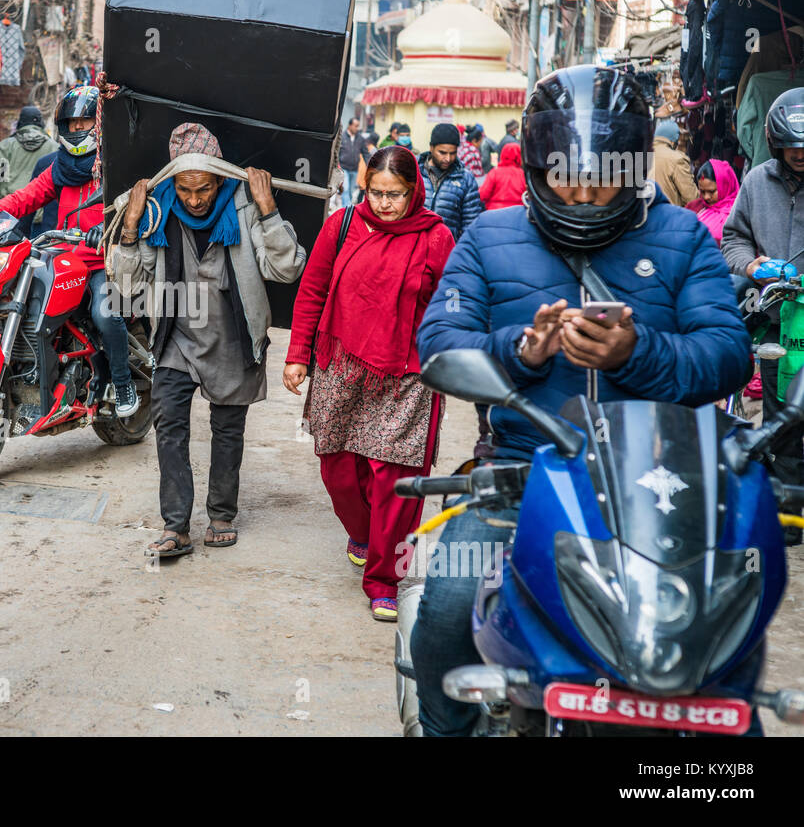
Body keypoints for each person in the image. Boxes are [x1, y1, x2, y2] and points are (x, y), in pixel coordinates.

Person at [410, 64, 751, 737]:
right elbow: (440, 341)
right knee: (446, 617)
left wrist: (638, 352)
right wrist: (521, 352)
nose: (587, 196)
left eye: (604, 179)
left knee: (723, 651)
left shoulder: (683, 239)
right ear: (538, 166)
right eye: (569, 176)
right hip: (518, 478)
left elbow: (727, 352)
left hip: (657, 488)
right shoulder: (488, 237)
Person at [110, 123, 307, 555]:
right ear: (174, 184)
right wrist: (129, 225)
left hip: (231, 338)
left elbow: (287, 269)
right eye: (184, 189)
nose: (194, 200)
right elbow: (126, 289)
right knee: (169, 428)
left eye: (203, 189)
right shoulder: (156, 211)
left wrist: (269, 209)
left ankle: (221, 514)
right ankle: (175, 526)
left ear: (219, 179)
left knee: (227, 429)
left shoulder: (246, 208)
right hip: (176, 340)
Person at [284, 146, 454, 620]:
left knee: (394, 476)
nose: (384, 204)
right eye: (376, 193)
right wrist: (298, 355)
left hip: (408, 374)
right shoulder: (341, 226)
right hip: (342, 364)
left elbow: (453, 303)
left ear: (413, 191)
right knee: (337, 464)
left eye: (394, 195)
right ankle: (362, 533)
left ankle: (383, 578)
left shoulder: (436, 238)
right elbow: (313, 290)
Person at [0, 85, 140, 417]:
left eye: (84, 123)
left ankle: (122, 383)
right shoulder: (60, 167)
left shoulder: (114, 166)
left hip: (101, 262)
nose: (77, 131)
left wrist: (106, 229)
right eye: (72, 125)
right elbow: (25, 197)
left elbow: (131, 206)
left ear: (99, 124)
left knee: (106, 313)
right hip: (61, 259)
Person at [721, 86, 804, 494]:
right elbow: (733, 239)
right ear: (775, 143)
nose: (801, 154)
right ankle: (789, 514)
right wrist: (752, 265)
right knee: (782, 417)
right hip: (775, 322)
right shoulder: (756, 181)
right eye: (793, 147)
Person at [418, 122, 483, 241]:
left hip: (447, 252)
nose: (448, 159)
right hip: (414, 251)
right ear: (431, 148)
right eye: (442, 153)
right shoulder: (414, 173)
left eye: (452, 153)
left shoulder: (465, 179)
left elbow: (471, 224)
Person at [0, 105, 58, 201]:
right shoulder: (54, 147)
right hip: (40, 208)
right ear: (41, 122)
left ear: (20, 122)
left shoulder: (5, 145)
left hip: (9, 207)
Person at [687, 158, 740, 244]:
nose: (706, 197)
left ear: (725, 186)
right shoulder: (694, 207)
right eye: (702, 191)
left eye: (711, 191)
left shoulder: (738, 214)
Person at [649, 118, 699, 207]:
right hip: (667, 216)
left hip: (643, 217)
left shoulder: (639, 155)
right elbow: (691, 198)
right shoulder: (677, 159)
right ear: (673, 141)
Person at [479, 142, 525, 210]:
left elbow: (482, 195)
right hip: (517, 212)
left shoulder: (494, 172)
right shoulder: (522, 174)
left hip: (495, 212)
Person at [337, 117, 366, 208]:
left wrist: (370, 163)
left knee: (351, 191)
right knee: (345, 189)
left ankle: (346, 208)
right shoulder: (342, 137)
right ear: (350, 125)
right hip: (343, 168)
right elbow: (336, 152)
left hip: (354, 169)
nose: (357, 128)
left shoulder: (360, 139)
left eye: (358, 126)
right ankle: (347, 209)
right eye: (355, 126)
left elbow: (365, 153)